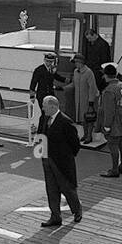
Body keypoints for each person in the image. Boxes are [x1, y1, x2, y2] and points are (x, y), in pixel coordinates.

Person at [37, 96, 83, 226]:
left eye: (44, 106)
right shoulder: (44, 118)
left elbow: (75, 144)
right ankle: (55, 216)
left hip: (62, 162)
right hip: (47, 159)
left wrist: (67, 156)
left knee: (67, 187)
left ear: (53, 106)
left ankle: (77, 210)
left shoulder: (65, 122)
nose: (43, 108)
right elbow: (40, 135)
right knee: (51, 189)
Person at [97, 63, 122, 178]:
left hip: (113, 120)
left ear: (106, 76)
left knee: (112, 144)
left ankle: (114, 169)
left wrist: (106, 126)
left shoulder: (109, 90)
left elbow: (109, 111)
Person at [69, 53, 99, 144]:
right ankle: (85, 134)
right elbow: (74, 84)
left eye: (76, 62)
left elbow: (92, 87)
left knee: (89, 119)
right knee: (82, 119)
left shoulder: (88, 72)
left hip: (88, 100)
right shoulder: (75, 72)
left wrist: (91, 102)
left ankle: (89, 136)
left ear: (81, 62)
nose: (75, 64)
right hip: (78, 100)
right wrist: (63, 88)